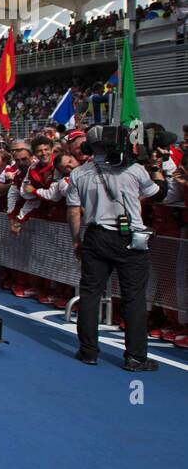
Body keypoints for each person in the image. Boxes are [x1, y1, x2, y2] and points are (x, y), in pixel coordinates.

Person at [67, 125, 166, 371]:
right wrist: (157, 169)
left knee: (90, 294)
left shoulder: (79, 173)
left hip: (96, 236)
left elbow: (72, 210)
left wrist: (77, 239)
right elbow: (158, 194)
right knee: (134, 298)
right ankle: (135, 358)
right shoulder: (134, 169)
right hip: (130, 239)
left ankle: (88, 352)